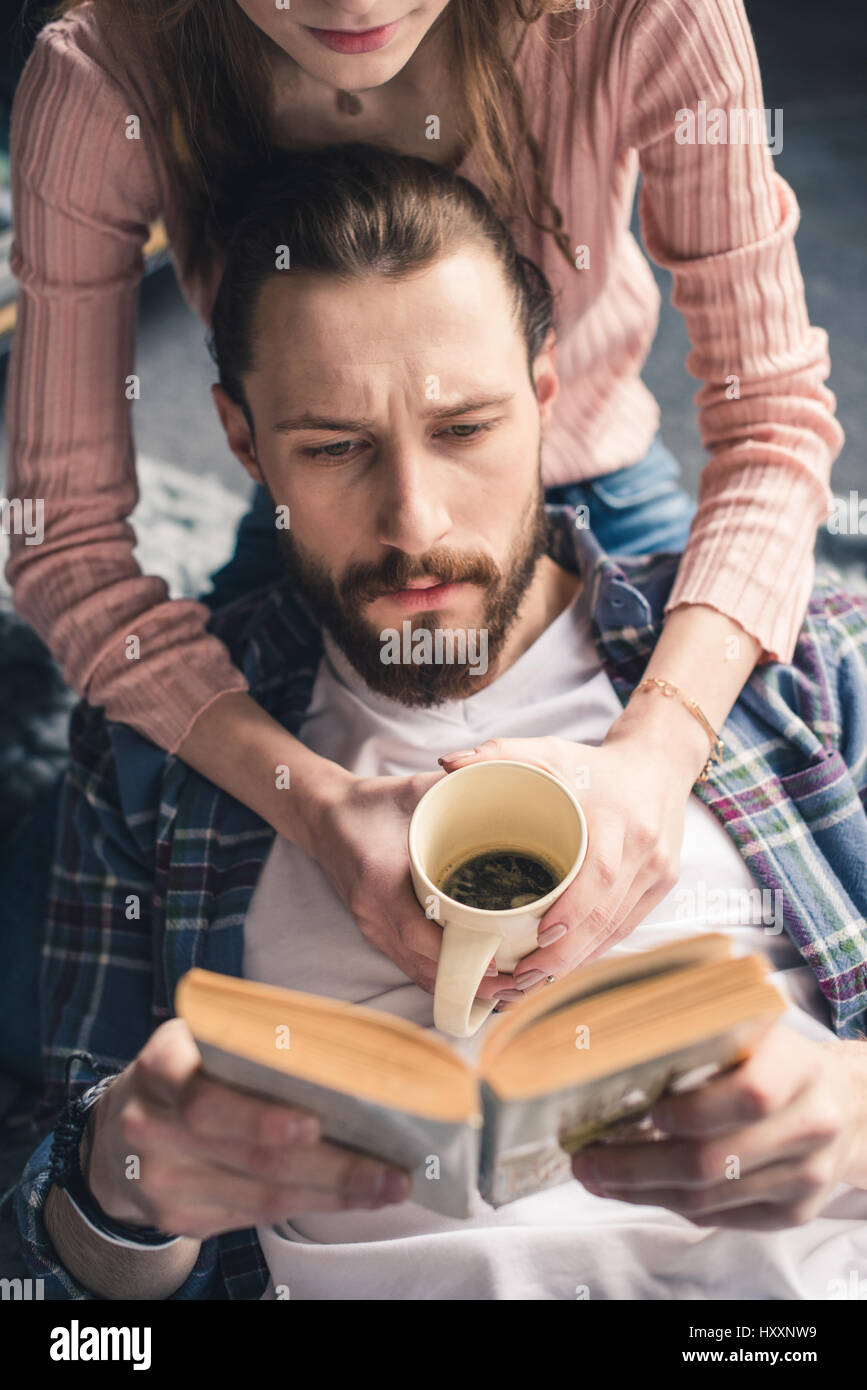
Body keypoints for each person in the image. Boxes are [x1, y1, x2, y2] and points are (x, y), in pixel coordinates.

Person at [14, 146, 867, 1301]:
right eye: (331, 447)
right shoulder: (152, 763)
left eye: (465, 429)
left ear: (546, 398)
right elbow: (54, 1295)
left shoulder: (802, 655)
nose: (414, 522)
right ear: (241, 441)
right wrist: (121, 1176)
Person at [4, 0, 845, 1005]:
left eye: (467, 424)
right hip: (316, 516)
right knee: (36, 955)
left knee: (801, 802)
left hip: (605, 495)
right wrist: (313, 804)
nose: (356, 7)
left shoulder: (649, 16)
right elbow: (63, 538)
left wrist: (658, 755)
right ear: (240, 433)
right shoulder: (104, 75)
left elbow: (772, 424)